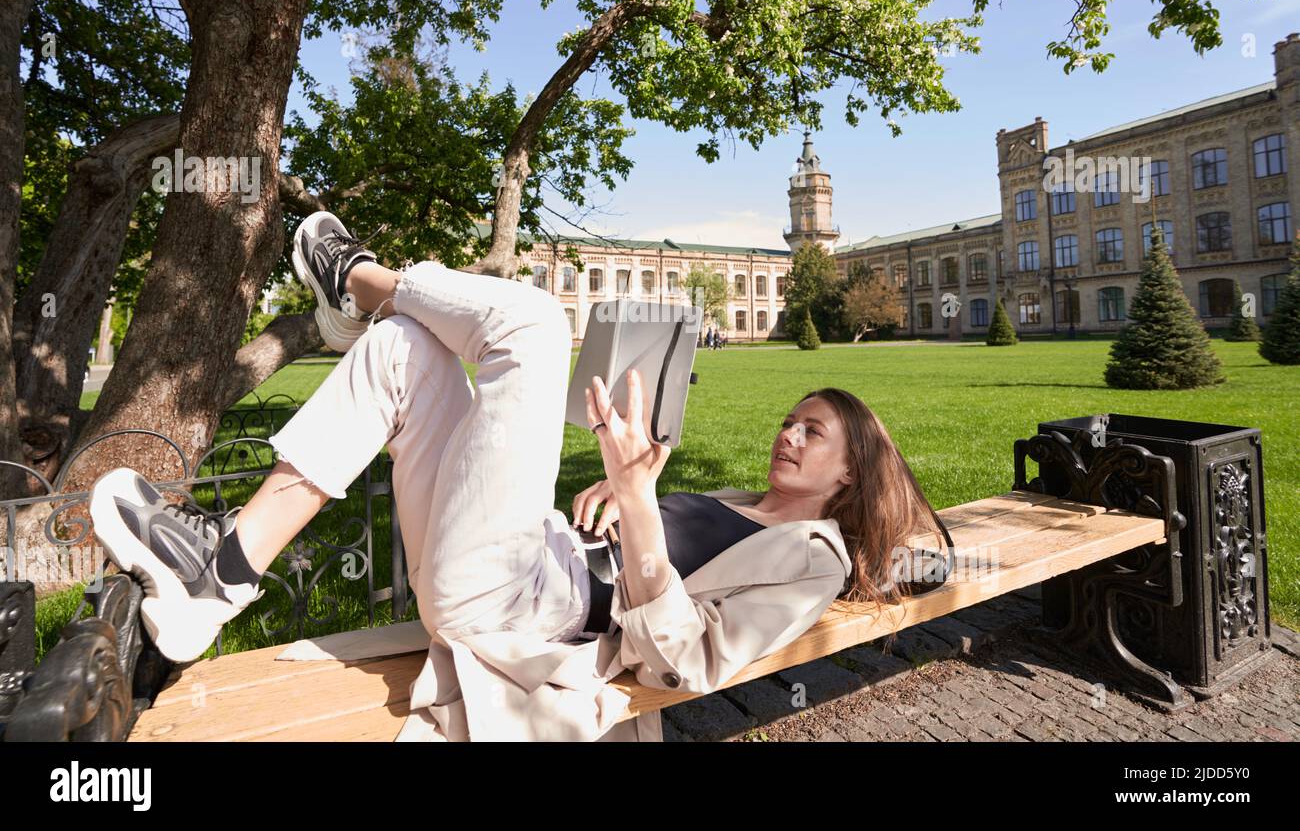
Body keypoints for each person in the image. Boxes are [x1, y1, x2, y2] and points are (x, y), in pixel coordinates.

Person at [88, 210, 944, 740]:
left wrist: (643, 510)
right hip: (525, 554)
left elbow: (684, 663)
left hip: (530, 612)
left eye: (814, 431)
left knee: (533, 322)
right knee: (402, 351)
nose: (788, 434)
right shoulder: (739, 502)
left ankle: (358, 280)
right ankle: (221, 575)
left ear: (849, 473)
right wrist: (621, 492)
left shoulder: (814, 556)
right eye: (791, 419)